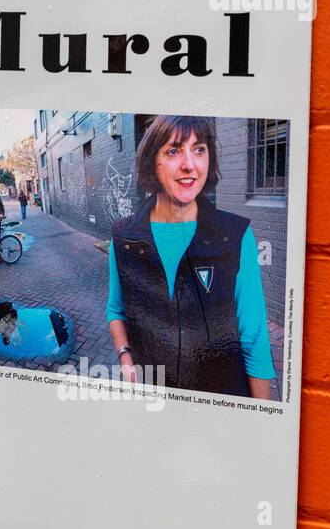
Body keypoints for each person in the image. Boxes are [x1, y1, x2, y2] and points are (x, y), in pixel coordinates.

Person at [105, 115, 276, 399]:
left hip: (221, 402)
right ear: (152, 162)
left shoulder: (233, 235)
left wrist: (262, 421)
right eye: (173, 151)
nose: (190, 164)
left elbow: (254, 336)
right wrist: (125, 355)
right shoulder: (124, 238)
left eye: (199, 150)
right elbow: (116, 309)